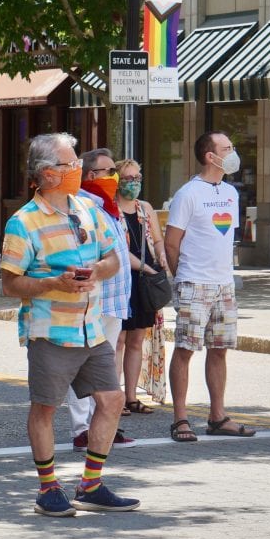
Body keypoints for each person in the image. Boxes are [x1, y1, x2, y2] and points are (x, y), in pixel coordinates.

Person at [0, 133, 139, 516]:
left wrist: (97, 270)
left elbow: (113, 259)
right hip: (51, 332)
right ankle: (48, 489)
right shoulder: (23, 222)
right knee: (45, 408)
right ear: (47, 173)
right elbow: (10, 284)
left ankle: (90, 485)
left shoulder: (87, 209)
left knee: (111, 401)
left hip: (91, 329)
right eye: (71, 164)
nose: (78, 169)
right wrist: (52, 283)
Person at [165, 131, 254, 442]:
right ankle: (180, 419)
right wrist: (181, 278)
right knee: (185, 349)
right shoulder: (188, 194)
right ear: (210, 156)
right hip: (194, 282)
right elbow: (171, 243)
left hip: (224, 285)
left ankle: (218, 417)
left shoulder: (230, 193)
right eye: (227, 148)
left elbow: (224, 236)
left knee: (219, 350)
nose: (233, 153)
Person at [66, 148, 135, 451]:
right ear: (92, 175)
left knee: (105, 368)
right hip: (93, 298)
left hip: (115, 298)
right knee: (82, 365)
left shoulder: (109, 206)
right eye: (110, 171)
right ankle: (82, 429)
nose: (115, 177)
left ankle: (104, 425)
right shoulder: (81, 205)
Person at [116, 157, 168, 413]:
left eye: (137, 178)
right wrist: (147, 267)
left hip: (144, 282)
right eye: (128, 178)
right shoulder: (110, 208)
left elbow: (157, 240)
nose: (134, 183)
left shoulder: (145, 208)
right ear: (117, 180)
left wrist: (162, 255)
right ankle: (114, 399)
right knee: (118, 340)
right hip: (121, 278)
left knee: (137, 339)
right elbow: (118, 249)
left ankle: (131, 397)